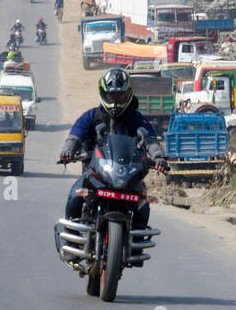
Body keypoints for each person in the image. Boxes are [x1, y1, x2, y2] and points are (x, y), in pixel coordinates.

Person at [58, 69, 168, 229]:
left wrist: (159, 157)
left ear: (128, 94)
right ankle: (71, 236)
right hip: (95, 174)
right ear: (103, 94)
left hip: (128, 176)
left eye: (120, 95)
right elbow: (75, 136)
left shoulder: (136, 119)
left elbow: (151, 140)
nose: (115, 100)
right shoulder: (91, 116)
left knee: (143, 205)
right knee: (74, 197)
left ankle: (137, 244)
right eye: (111, 95)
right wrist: (67, 151)